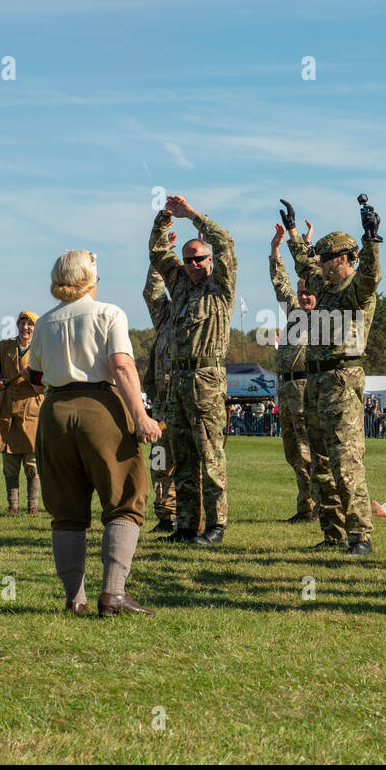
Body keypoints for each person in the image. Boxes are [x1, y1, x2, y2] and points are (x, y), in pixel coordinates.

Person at [28, 249, 161, 616]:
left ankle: (75, 599)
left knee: (66, 511)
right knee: (125, 499)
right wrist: (141, 415)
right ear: (90, 278)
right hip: (100, 409)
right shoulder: (109, 313)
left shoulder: (44, 323)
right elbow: (121, 365)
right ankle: (113, 593)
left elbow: (36, 378)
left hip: (54, 413)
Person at [286, 198, 382, 554]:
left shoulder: (357, 288)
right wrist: (294, 232)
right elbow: (302, 261)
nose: (320, 264)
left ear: (343, 258)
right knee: (320, 462)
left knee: (346, 461)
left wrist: (371, 240)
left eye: (326, 258)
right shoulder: (323, 286)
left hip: (342, 378)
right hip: (316, 380)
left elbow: (373, 275)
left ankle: (360, 537)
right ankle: (333, 534)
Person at [149, 195, 236, 546]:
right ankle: (185, 525)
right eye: (188, 260)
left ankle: (216, 526)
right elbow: (157, 253)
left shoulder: (220, 287)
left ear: (210, 260)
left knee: (210, 454)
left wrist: (192, 216)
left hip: (207, 379)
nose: (194, 264)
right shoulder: (181, 283)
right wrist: (164, 218)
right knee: (182, 455)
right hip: (178, 381)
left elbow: (226, 241)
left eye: (200, 258)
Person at [270, 219, 324, 524]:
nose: (303, 297)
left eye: (308, 293)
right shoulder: (293, 312)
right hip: (286, 389)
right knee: (293, 452)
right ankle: (305, 507)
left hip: (306, 387)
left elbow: (318, 277)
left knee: (310, 452)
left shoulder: (323, 317)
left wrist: (306, 248)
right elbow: (281, 283)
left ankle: (317, 507)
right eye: (301, 292)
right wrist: (276, 250)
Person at [0, 309, 45, 514]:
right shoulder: (4, 347)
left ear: (35, 328)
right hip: (7, 410)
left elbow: (48, 378)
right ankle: (13, 506)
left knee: (32, 462)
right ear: (17, 325)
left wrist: (32, 377)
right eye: (22, 323)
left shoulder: (41, 349)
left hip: (32, 409)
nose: (26, 327)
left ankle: (33, 506)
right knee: (9, 462)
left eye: (30, 324)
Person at [142, 241, 178, 533]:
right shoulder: (166, 316)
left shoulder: (200, 311)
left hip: (190, 402)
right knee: (159, 461)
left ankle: (191, 518)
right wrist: (159, 258)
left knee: (190, 463)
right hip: (162, 406)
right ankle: (165, 516)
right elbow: (151, 293)